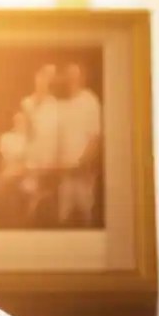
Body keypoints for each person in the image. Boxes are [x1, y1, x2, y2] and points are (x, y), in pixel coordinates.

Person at [56, 62, 103, 226]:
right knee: (64, 217)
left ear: (82, 78)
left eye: (75, 76)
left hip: (83, 172)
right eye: (68, 75)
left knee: (85, 216)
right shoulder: (62, 105)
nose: (71, 79)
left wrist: (84, 163)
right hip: (65, 173)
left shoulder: (90, 101)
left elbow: (95, 138)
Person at [20, 64, 60, 225]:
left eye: (51, 77)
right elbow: (26, 133)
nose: (46, 80)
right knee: (29, 202)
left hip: (50, 163)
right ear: (36, 77)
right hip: (31, 162)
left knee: (48, 203)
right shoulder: (26, 103)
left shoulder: (56, 104)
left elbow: (55, 135)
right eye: (44, 75)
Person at [0, 110, 31, 225]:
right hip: (8, 173)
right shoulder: (6, 138)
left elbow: (26, 162)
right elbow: (4, 160)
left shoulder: (30, 140)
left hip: (24, 175)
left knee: (26, 188)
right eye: (17, 120)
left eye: (22, 121)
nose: (20, 123)